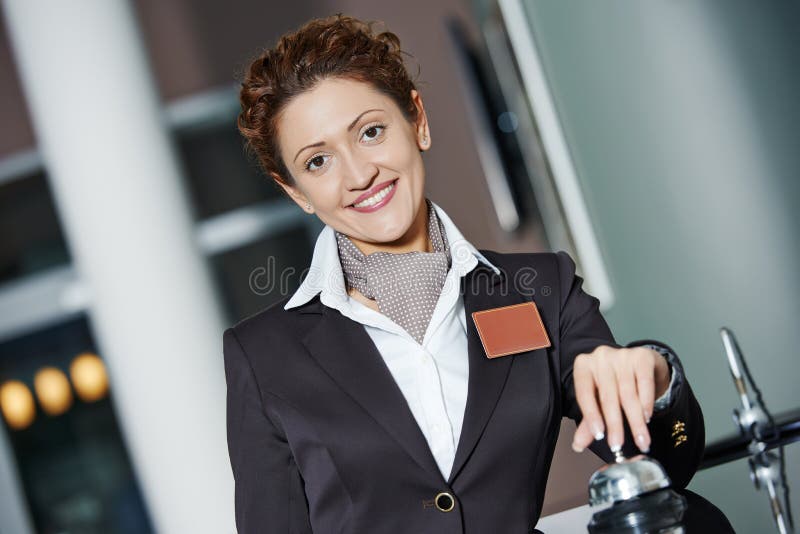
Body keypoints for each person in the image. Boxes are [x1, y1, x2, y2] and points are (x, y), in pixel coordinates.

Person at [224, 13, 705, 534]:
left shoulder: (542, 292)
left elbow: (665, 471)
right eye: (318, 162)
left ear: (417, 120)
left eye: (371, 131)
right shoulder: (264, 356)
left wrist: (654, 382)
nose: (359, 174)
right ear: (296, 191)